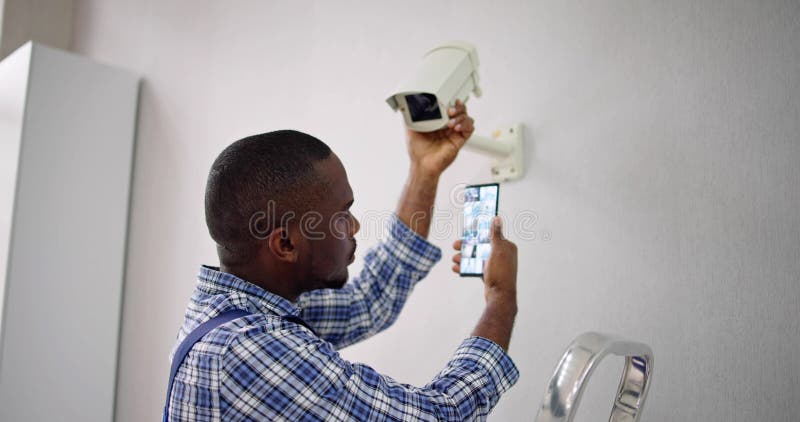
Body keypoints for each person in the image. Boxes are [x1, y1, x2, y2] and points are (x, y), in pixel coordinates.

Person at [165, 101, 520, 421]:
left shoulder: (245, 312)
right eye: (342, 213)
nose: (354, 225)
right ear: (286, 242)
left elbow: (370, 301)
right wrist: (501, 298)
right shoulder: (246, 351)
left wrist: (423, 170)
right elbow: (443, 417)